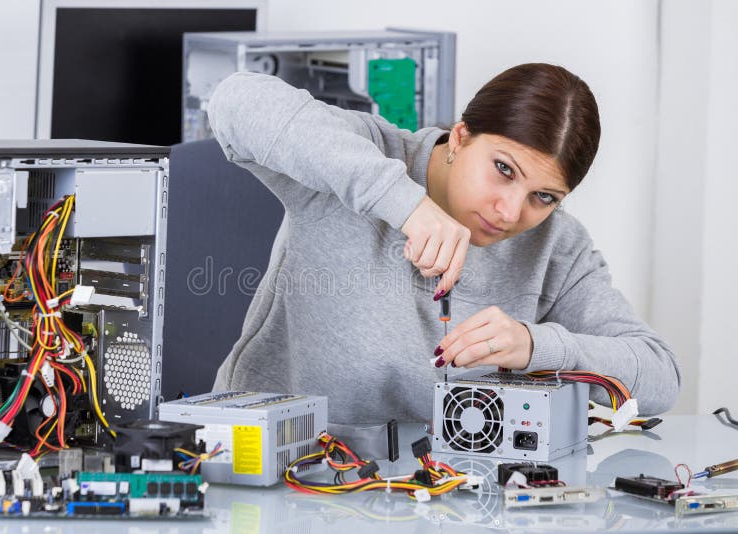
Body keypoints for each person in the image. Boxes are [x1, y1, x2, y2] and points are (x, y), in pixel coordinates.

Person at [207, 63, 680, 425]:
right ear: (460, 137)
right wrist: (405, 204)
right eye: (503, 170)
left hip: (440, 488)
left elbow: (660, 376)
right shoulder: (362, 157)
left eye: (543, 197)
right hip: (279, 460)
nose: (510, 212)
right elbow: (234, 101)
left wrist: (538, 347)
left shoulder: (557, 245)